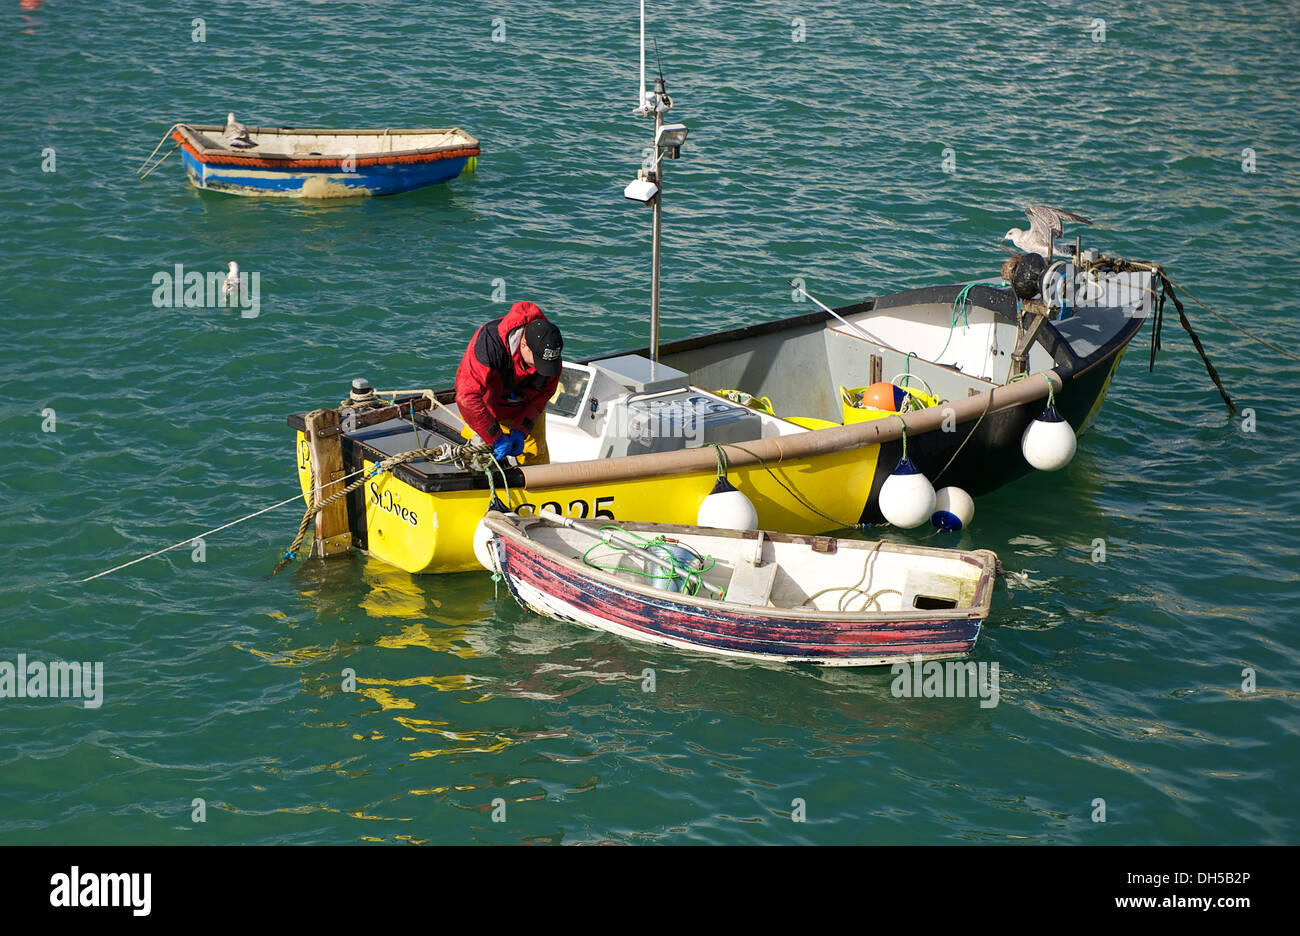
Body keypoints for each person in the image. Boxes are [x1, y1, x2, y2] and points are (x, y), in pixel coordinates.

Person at [454, 301, 563, 465]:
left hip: (524, 407)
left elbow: (543, 396)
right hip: (483, 410)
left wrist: (522, 429)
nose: (541, 369)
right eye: (537, 363)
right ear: (524, 344)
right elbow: (467, 397)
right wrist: (494, 436)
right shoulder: (489, 344)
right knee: (479, 457)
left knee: (535, 452)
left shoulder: (549, 354)